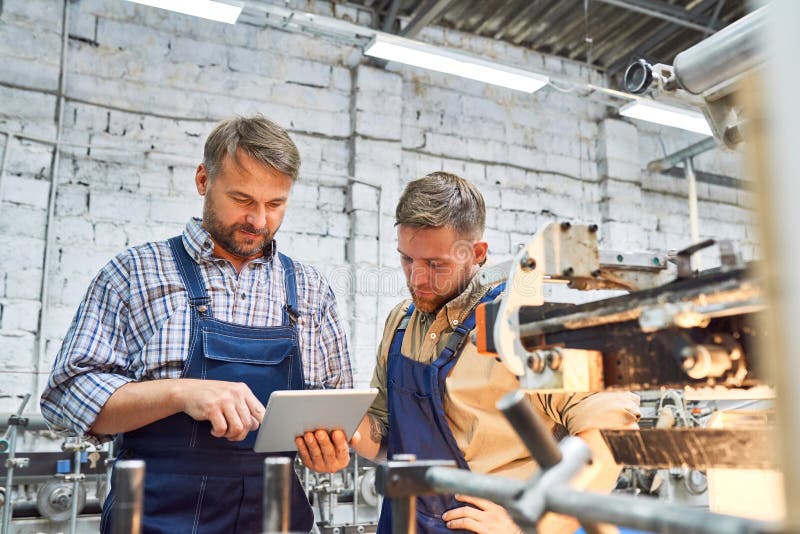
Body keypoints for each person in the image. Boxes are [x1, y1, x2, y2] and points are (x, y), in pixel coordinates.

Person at [40, 116, 353, 534]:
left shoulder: (311, 291)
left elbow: (337, 410)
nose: (259, 220)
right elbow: (66, 397)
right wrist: (179, 392)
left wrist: (330, 449)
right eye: (242, 199)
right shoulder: (134, 272)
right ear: (204, 180)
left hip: (276, 515)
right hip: (153, 516)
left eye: (275, 204)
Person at [297, 172, 640, 534]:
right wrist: (341, 431)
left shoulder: (522, 324)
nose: (416, 279)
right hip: (403, 523)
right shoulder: (400, 323)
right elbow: (386, 438)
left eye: (435, 265)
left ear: (477, 254)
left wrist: (535, 523)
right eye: (407, 260)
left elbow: (612, 433)